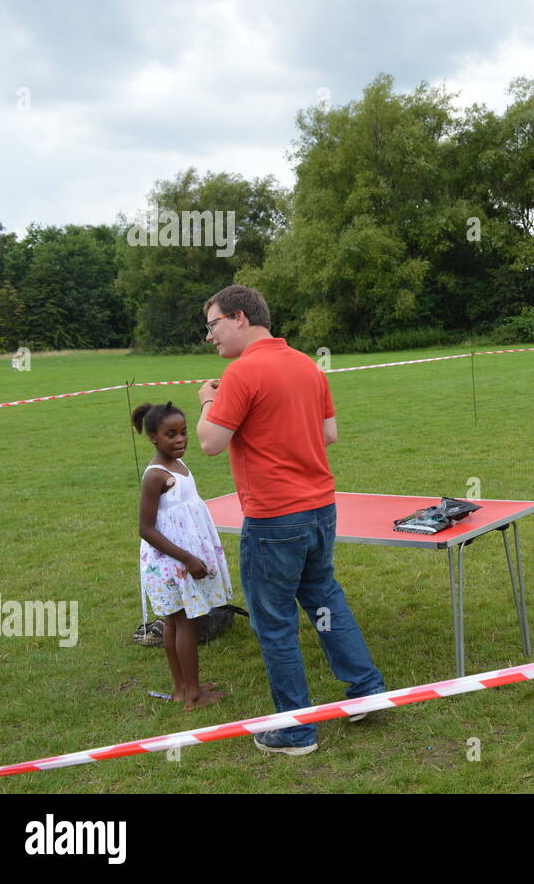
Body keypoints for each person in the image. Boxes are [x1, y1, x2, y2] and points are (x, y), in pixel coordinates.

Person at [198, 285, 385, 756]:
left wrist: (206, 400)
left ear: (239, 318)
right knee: (325, 598)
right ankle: (366, 690)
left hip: (274, 520)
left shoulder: (240, 373)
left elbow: (210, 442)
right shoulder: (306, 364)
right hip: (321, 510)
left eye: (213, 324)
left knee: (274, 622)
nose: (209, 337)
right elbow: (329, 433)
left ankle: (295, 730)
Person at [133, 400, 230, 711]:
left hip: (179, 561)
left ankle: (184, 688)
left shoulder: (180, 467)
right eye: (170, 435)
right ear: (153, 438)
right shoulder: (156, 476)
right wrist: (188, 558)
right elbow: (146, 529)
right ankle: (193, 696)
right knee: (184, 623)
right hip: (171, 564)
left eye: (184, 433)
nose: (180, 440)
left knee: (176, 623)